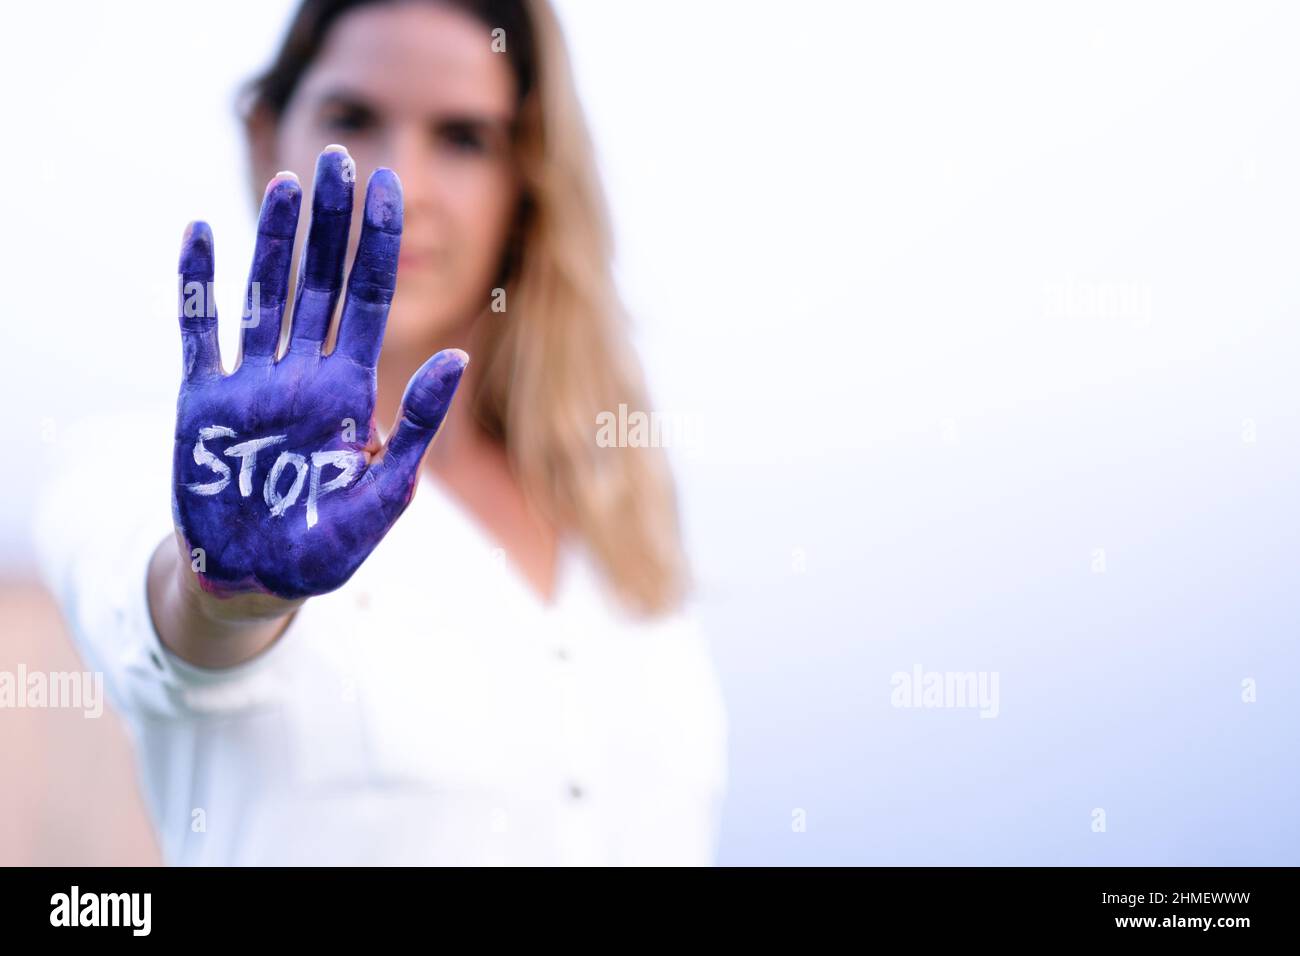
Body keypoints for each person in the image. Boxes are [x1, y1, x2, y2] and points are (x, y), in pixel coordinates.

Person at [35, 0, 727, 866]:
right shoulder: (140, 467)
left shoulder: (621, 509)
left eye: (464, 137)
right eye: (353, 118)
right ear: (264, 136)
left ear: (528, 179)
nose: (402, 181)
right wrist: (233, 588)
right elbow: (170, 629)